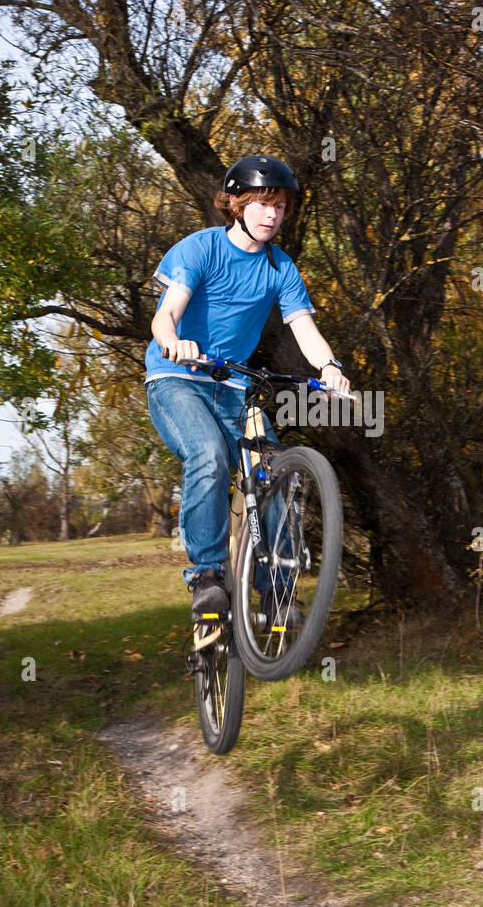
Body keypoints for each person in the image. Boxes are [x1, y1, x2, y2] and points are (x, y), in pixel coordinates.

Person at [144, 154, 351, 623]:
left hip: (234, 388)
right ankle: (207, 577)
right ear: (235, 203)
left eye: (279, 206)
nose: (271, 215)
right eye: (261, 203)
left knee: (274, 474)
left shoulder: (281, 268)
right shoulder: (202, 249)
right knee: (208, 455)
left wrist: (330, 366)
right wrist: (174, 342)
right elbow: (165, 314)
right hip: (176, 379)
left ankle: (276, 590)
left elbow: (303, 326)